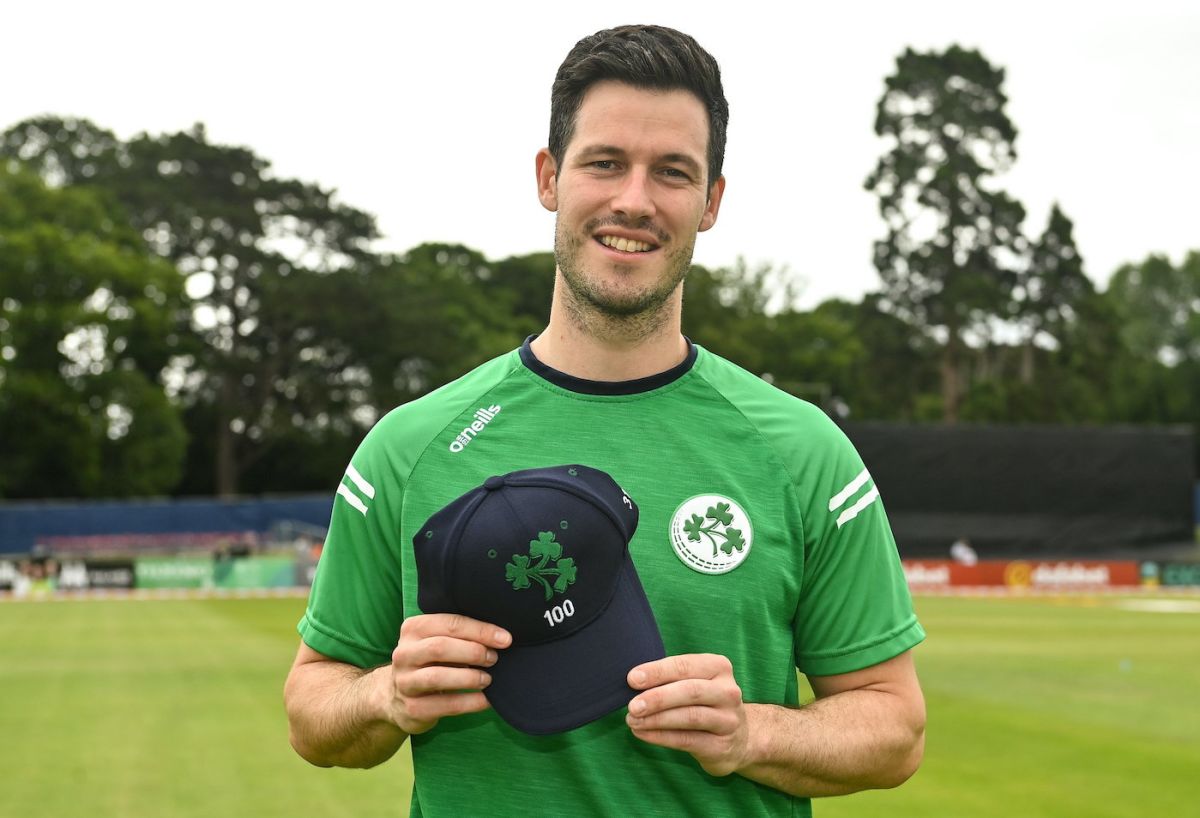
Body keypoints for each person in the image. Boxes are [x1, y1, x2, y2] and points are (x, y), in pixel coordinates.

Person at [285, 24, 925, 818]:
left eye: (673, 172)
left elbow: (894, 726)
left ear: (711, 200)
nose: (634, 200)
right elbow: (313, 707)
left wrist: (751, 736)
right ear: (550, 177)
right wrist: (385, 695)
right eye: (605, 163)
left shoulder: (803, 452)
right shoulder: (408, 448)